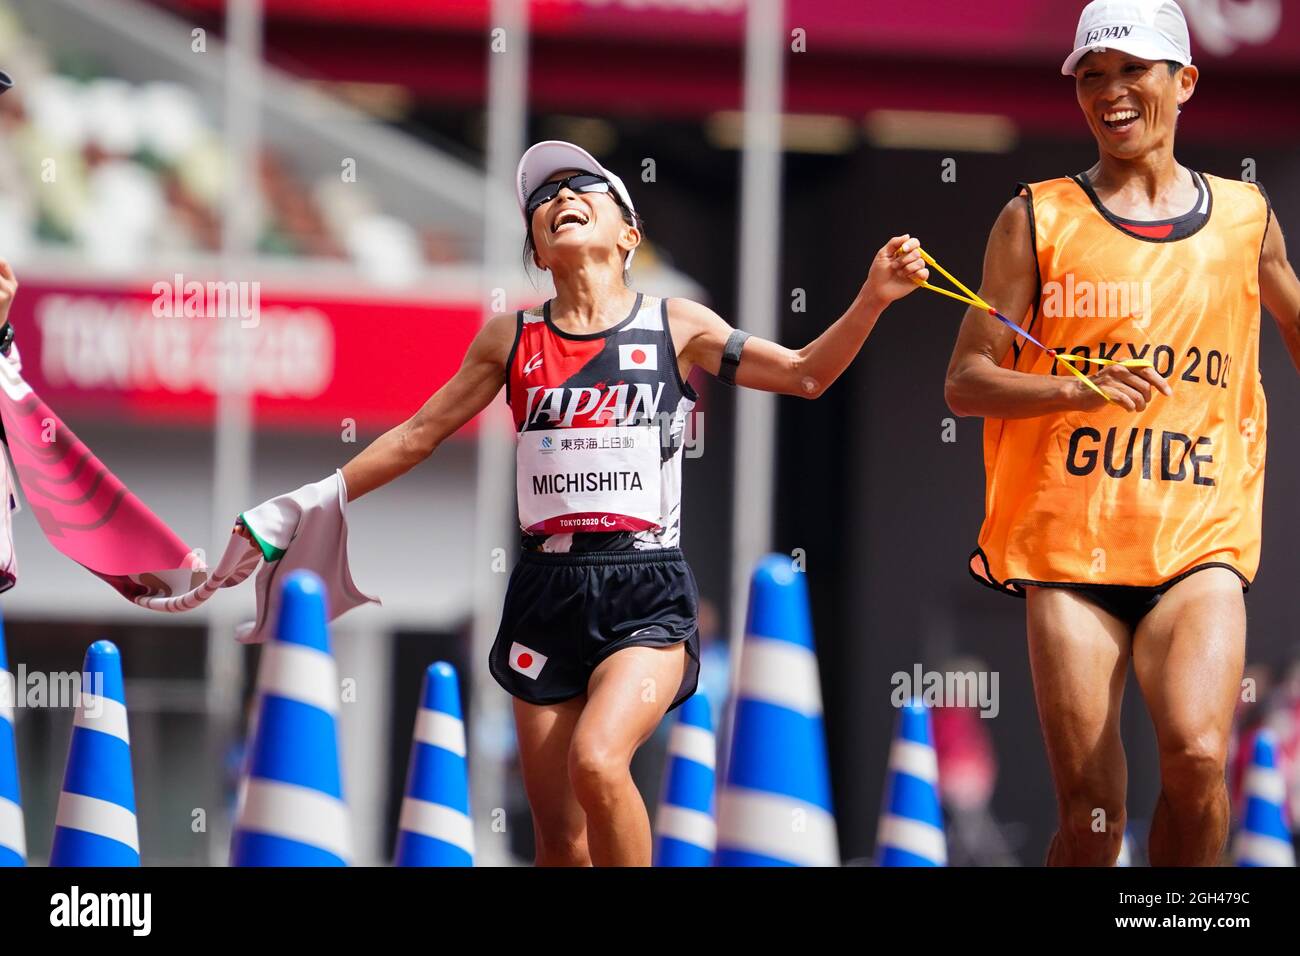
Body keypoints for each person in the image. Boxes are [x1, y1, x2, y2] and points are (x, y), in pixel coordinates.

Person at [334, 140, 928, 865]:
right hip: (544, 594)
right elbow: (418, 435)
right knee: (558, 835)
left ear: (628, 234)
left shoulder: (679, 322)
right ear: (539, 252)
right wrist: (311, 503)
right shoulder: (510, 337)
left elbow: (805, 375)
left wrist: (874, 298)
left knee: (598, 760)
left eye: (582, 186)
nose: (557, 200)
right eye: (541, 202)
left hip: (644, 590)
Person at [944, 0, 1300, 866]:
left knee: (1198, 758)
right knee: (1094, 817)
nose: (1111, 91)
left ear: (1184, 80)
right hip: (1070, 551)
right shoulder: (1035, 217)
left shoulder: (1245, 218)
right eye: (1091, 75)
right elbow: (965, 382)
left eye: (1132, 70)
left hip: (1198, 537)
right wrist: (1076, 386)